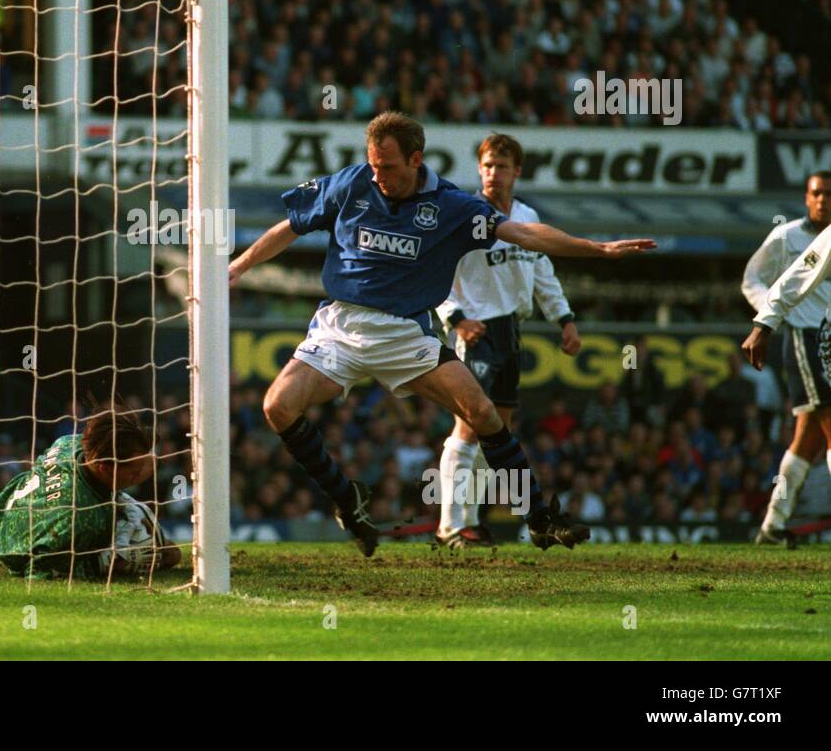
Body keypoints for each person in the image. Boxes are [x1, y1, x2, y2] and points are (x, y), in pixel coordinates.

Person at [228, 111, 654, 556]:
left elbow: (524, 233)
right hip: (341, 327)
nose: (378, 175)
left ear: (415, 160)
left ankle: (539, 518)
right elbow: (292, 226)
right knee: (277, 406)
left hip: (404, 336)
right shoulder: (352, 183)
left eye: (388, 166)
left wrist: (598, 248)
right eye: (373, 164)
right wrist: (239, 265)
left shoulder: (452, 207)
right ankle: (346, 498)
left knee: (483, 413)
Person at [434, 133, 579, 547]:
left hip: (511, 331)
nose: (493, 172)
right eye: (487, 165)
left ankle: (470, 522)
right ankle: (450, 525)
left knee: (498, 432)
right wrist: (456, 318)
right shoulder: (466, 214)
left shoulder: (527, 215)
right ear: (479, 170)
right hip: (477, 331)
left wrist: (564, 319)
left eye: (501, 165)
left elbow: (543, 274)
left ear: (518, 170)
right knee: (468, 425)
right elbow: (436, 269)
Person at [0, 403, 182, 580]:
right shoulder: (79, 518)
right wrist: (102, 566)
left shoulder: (68, 443)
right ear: (104, 468)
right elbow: (37, 573)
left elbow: (144, 463)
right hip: (15, 546)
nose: (142, 474)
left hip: (7, 508)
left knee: (168, 550)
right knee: (169, 554)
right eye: (135, 473)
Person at [740, 171, 831, 546]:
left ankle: (773, 526)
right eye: (817, 193)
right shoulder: (787, 236)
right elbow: (754, 279)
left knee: (807, 441)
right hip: (805, 338)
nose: (823, 200)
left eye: (829, 194)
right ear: (807, 197)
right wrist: (771, 318)